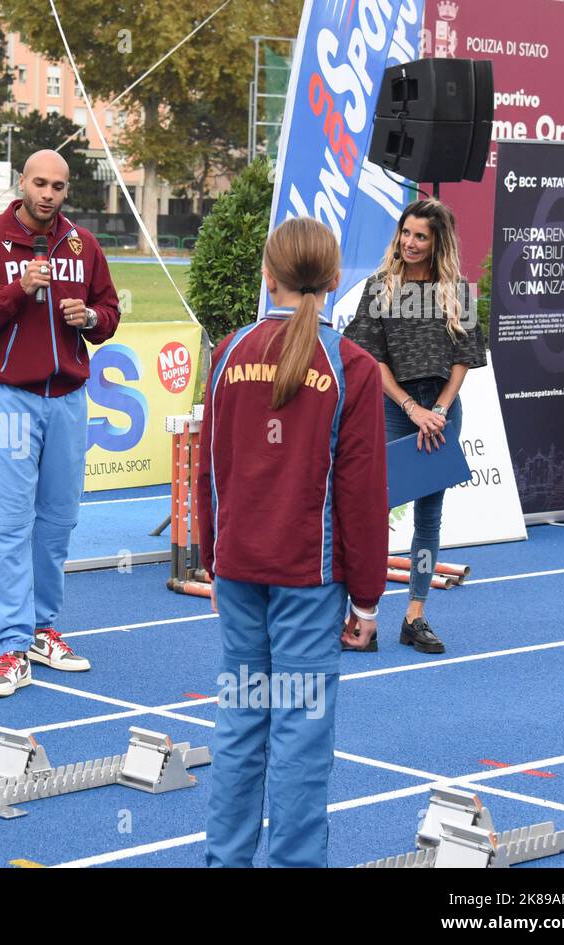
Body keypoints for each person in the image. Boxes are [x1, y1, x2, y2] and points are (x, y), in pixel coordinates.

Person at [196, 217, 387, 868]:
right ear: (337, 282)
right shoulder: (351, 367)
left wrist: (213, 561)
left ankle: (226, 860)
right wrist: (366, 599)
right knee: (301, 739)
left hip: (240, 570)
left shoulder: (226, 352)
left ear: (265, 275)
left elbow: (208, 470)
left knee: (240, 728)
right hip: (310, 579)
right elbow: (362, 494)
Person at [0, 149, 120, 698]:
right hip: (9, 398)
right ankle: (7, 647)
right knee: (5, 524)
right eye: (40, 184)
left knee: (57, 522)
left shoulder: (82, 245)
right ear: (21, 182)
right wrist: (15, 290)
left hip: (69, 398)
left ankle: (43, 629)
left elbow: (109, 312)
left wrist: (92, 318)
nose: (49, 195)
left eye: (59, 187)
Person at [343, 198, 486, 654]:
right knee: (373, 512)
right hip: (394, 407)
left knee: (429, 516)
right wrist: (410, 408)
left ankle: (415, 615)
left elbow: (464, 359)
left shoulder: (457, 290)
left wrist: (439, 410)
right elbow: (370, 360)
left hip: (441, 411)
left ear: (436, 241)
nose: (410, 242)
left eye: (421, 236)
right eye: (406, 233)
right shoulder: (380, 288)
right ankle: (361, 614)